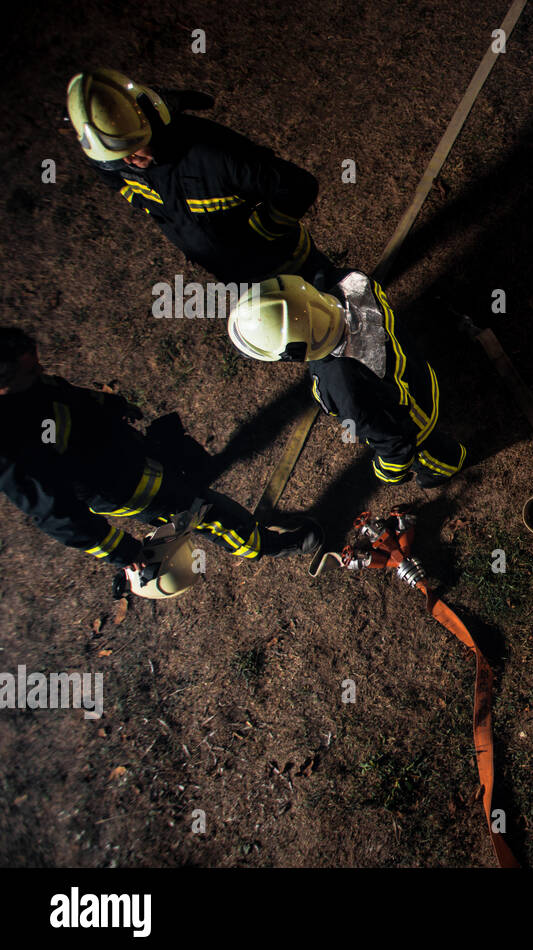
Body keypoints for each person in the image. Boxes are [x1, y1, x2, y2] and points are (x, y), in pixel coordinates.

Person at [0, 328, 320, 596]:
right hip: (124, 485)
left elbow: (69, 399)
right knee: (209, 513)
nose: (41, 372)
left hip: (129, 452)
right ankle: (266, 546)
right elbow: (53, 512)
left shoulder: (32, 390)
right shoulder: (12, 444)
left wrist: (112, 405)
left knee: (188, 466)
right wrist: (118, 550)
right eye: (31, 370)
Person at [66, 68, 330, 284]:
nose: (129, 161)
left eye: (134, 148)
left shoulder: (214, 156)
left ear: (154, 125)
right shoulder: (111, 158)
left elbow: (298, 186)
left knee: (335, 316)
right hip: (235, 275)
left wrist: (260, 232)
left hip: (287, 263)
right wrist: (141, 200)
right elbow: (112, 176)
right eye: (116, 159)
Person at [226, 271, 467, 488]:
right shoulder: (352, 282)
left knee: (429, 451)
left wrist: (388, 474)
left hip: (415, 416)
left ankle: (450, 463)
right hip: (414, 370)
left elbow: (395, 442)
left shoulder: (343, 387)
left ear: (293, 352)